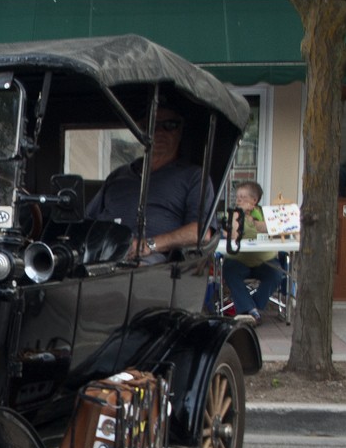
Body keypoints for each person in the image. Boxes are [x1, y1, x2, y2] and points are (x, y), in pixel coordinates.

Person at [86, 107, 216, 265]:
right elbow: (88, 219)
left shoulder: (194, 177)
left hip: (153, 263)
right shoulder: (118, 175)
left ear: (181, 129)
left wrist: (149, 244)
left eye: (169, 125)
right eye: (152, 126)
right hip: (101, 253)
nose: (159, 132)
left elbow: (200, 232)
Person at [222, 181, 283, 325]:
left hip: (265, 260)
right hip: (239, 260)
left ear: (254, 200)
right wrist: (240, 214)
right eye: (237, 197)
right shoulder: (232, 214)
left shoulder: (265, 214)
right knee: (229, 271)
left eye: (243, 197)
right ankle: (252, 311)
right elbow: (232, 235)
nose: (238, 200)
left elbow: (272, 229)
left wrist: (253, 219)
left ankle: (250, 308)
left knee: (276, 274)